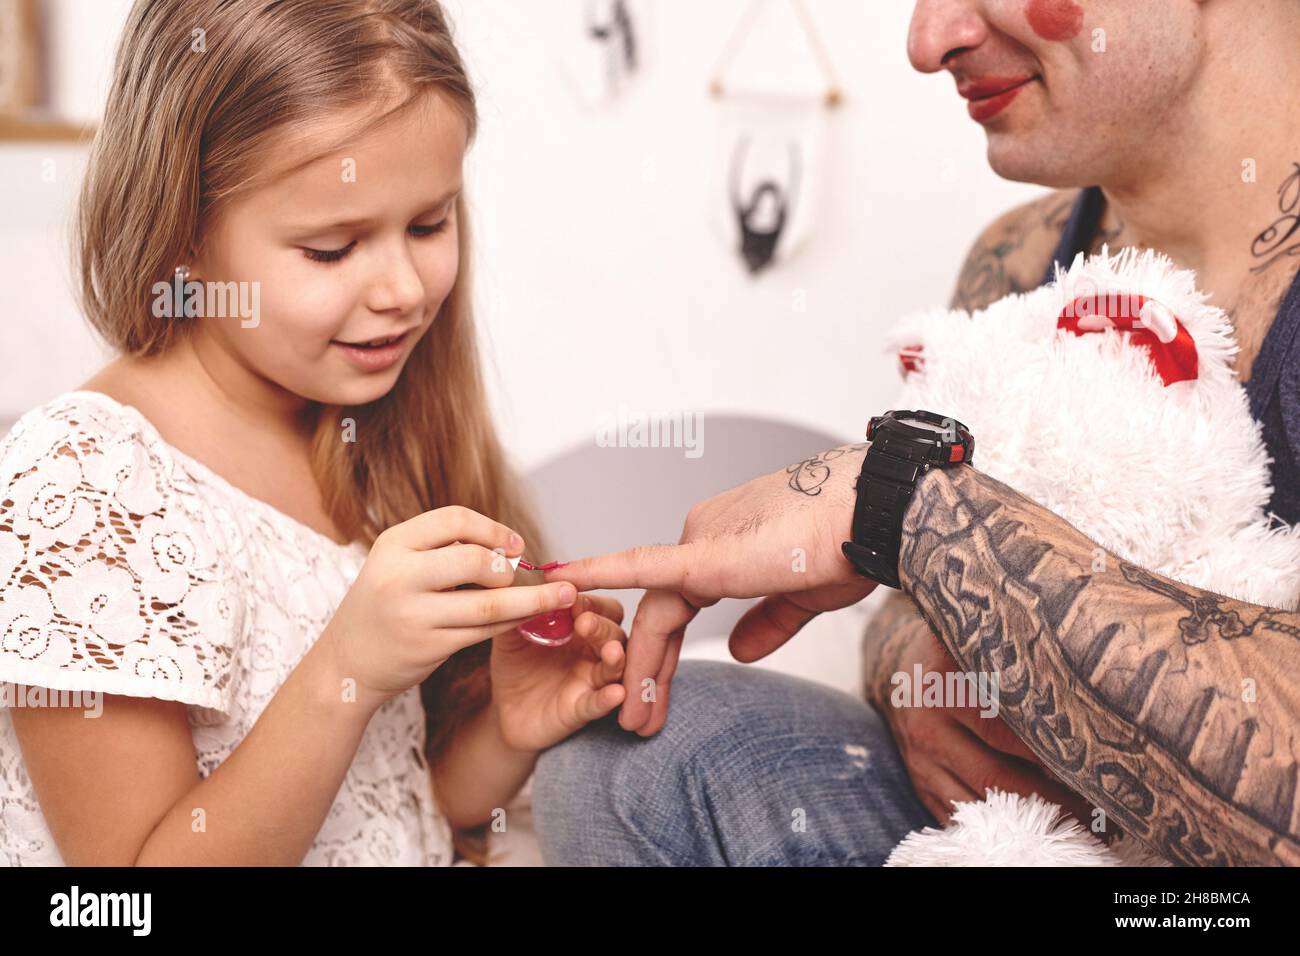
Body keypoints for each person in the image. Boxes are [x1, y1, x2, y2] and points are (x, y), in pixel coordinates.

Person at [532, 0, 1300, 866]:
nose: (928, 43)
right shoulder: (1018, 257)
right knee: (632, 761)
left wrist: (903, 505)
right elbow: (906, 600)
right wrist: (918, 676)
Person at [0, 0, 630, 866]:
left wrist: (505, 735)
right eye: (333, 250)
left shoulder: (365, 436)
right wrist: (348, 671)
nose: (403, 288)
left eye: (428, 224)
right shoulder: (87, 484)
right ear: (183, 234)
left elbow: (375, 817)